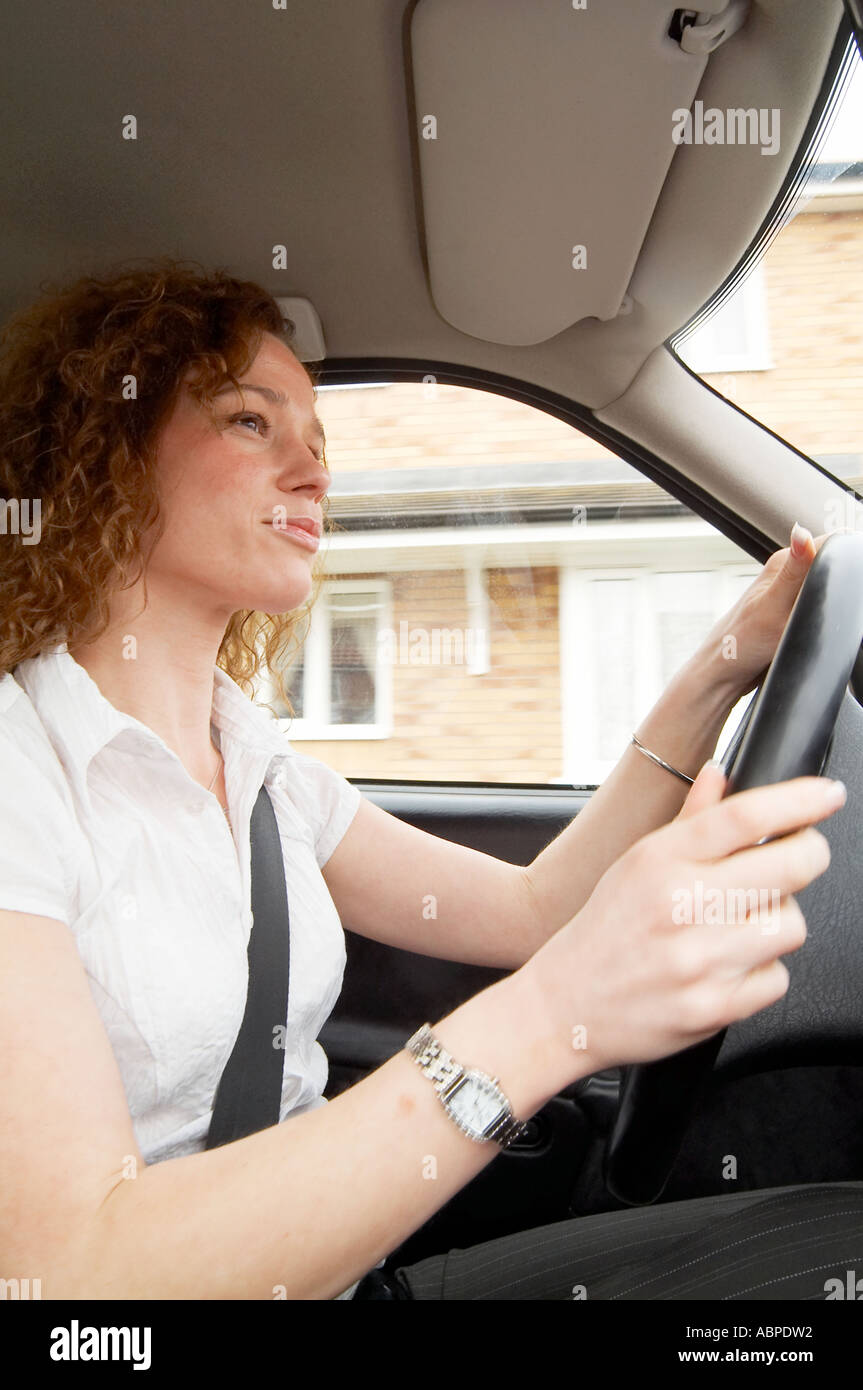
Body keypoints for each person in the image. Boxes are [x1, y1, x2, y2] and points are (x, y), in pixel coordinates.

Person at [0, 260, 858, 1302]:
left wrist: (726, 659)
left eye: (317, 441)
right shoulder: (22, 768)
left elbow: (537, 908)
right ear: (111, 450)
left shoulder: (272, 778)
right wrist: (552, 1014)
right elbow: (70, 1279)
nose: (314, 473)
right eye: (249, 423)